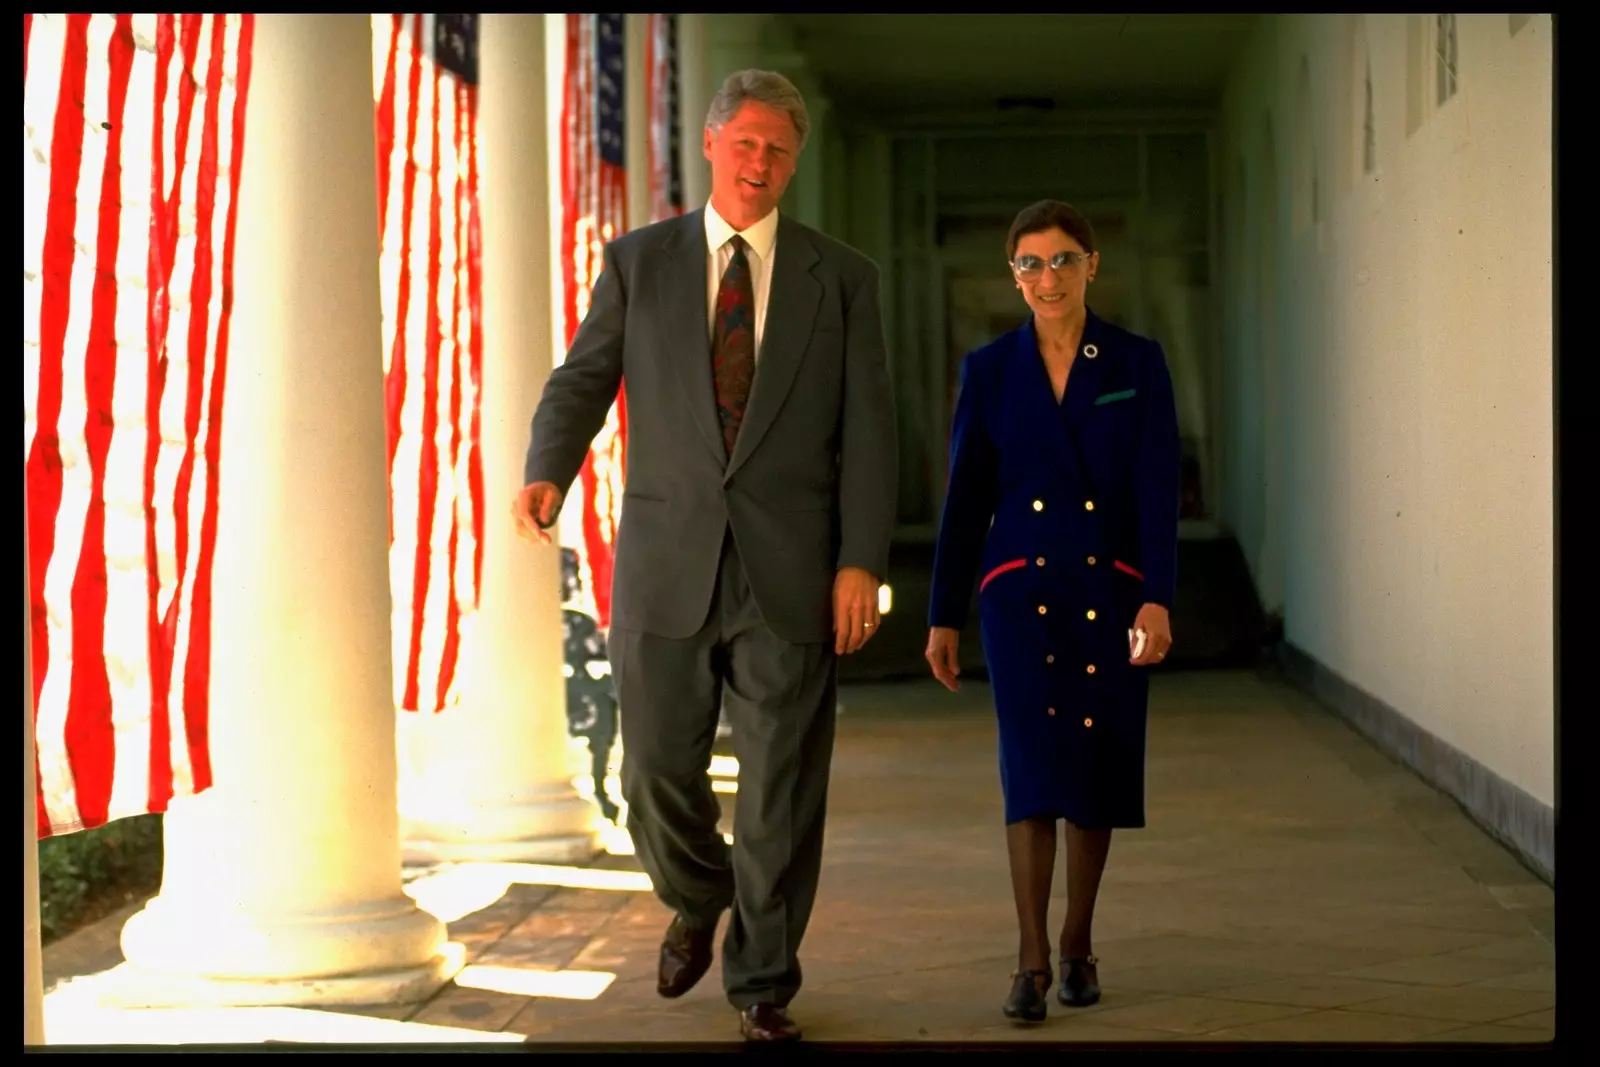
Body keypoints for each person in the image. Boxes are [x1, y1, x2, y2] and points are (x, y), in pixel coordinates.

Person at [513, 69, 897, 1043]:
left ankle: (762, 982)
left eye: (778, 150)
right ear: (714, 145)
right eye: (746, 145)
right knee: (651, 774)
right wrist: (547, 469)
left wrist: (860, 560)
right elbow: (583, 375)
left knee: (780, 787)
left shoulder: (840, 277)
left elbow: (871, 431)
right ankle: (699, 889)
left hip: (791, 572)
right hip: (665, 561)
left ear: (794, 161)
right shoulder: (640, 262)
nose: (760, 163)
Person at [924, 200, 1179, 1023]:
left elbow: (1155, 490)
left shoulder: (1136, 361)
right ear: (1014, 275)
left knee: (1094, 768)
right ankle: (1031, 957)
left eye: (1064, 259)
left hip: (1110, 589)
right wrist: (941, 614)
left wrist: (1160, 597)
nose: (1047, 277)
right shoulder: (992, 367)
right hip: (1018, 593)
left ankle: (1077, 939)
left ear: (1092, 266)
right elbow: (965, 498)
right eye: (1030, 264)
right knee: (1030, 768)